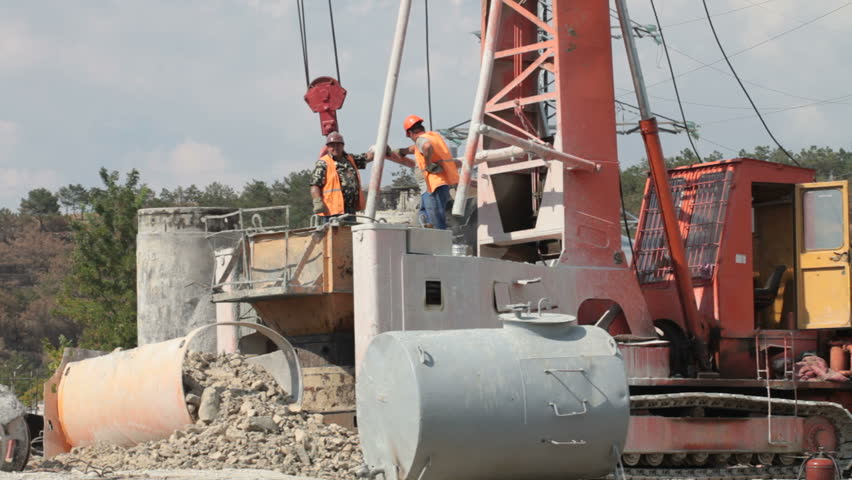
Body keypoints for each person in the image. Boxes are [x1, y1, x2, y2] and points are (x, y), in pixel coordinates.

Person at [397, 115, 459, 229]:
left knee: (437, 225)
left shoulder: (422, 140)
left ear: (410, 133)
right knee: (424, 215)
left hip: (433, 187)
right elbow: (416, 147)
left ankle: (440, 244)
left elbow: (426, 146)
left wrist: (428, 164)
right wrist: (403, 151)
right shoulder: (434, 137)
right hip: (439, 186)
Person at [310, 131, 375, 222]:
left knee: (349, 235)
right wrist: (317, 201)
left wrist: (379, 149)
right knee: (335, 235)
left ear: (343, 146)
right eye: (332, 145)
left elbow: (367, 157)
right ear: (328, 148)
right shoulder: (323, 163)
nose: (335, 148)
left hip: (350, 209)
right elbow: (315, 185)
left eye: (338, 145)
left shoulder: (350, 159)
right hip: (333, 211)